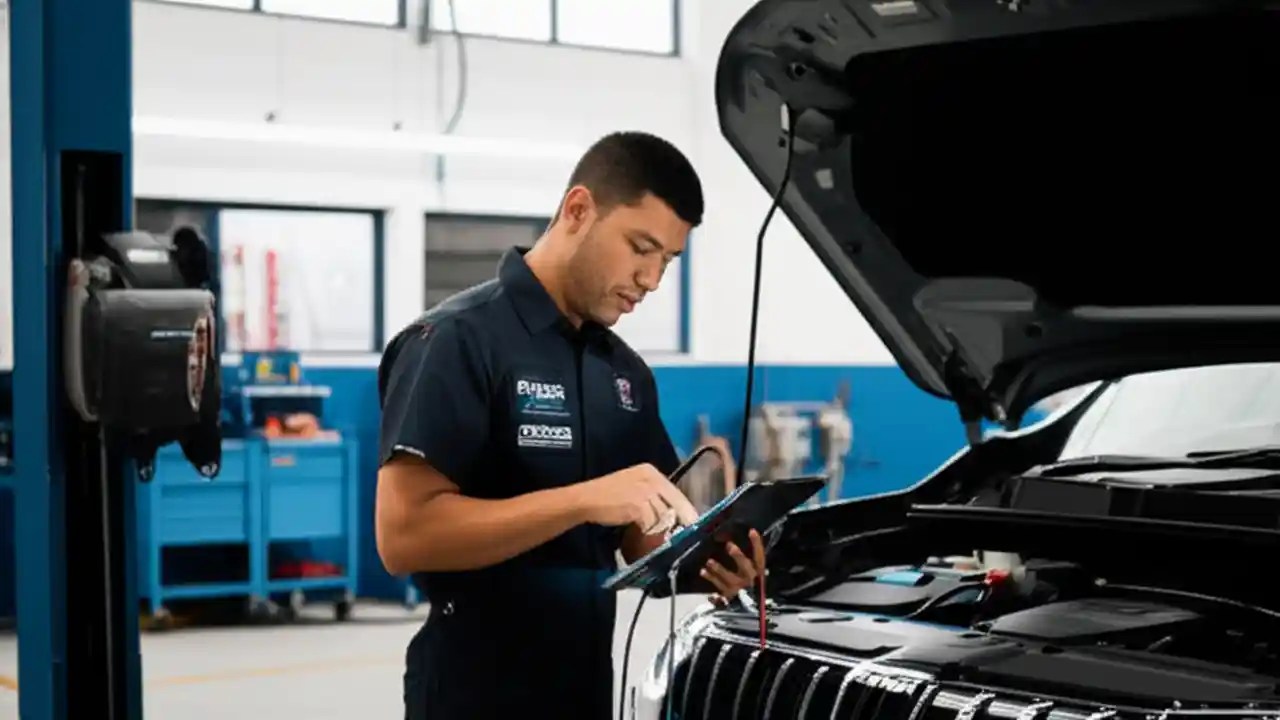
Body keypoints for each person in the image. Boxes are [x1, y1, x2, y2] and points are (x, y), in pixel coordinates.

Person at [375, 131, 765, 720]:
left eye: (668, 260)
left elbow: (643, 540)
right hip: (472, 697)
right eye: (641, 247)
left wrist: (711, 561)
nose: (652, 279)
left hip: (584, 692)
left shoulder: (624, 374)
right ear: (578, 210)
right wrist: (583, 501)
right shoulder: (457, 342)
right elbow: (403, 536)